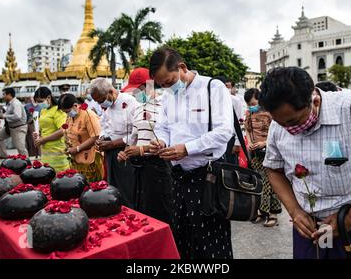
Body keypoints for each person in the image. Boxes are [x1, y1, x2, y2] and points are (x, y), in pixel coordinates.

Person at [259, 67, 351, 259]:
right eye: (280, 123)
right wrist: (295, 211)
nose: (288, 129)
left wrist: (350, 220)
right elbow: (273, 169)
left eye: (293, 121)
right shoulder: (280, 122)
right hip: (307, 229)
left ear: (315, 100)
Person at [148, 48, 234, 259]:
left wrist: (187, 148)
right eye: (162, 85)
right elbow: (163, 126)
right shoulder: (168, 96)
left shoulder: (212, 87)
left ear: (182, 67)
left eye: (169, 81)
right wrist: (161, 141)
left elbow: (224, 131)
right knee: (183, 236)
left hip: (208, 176)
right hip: (179, 177)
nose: (167, 87)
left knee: (211, 241)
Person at [116, 67, 173, 223]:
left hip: (160, 166)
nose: (133, 94)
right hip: (140, 169)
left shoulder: (165, 104)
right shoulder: (138, 107)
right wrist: (125, 153)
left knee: (161, 213)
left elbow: (172, 140)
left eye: (136, 90)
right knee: (143, 211)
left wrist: (141, 150)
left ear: (148, 85)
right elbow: (133, 139)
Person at [91, 78, 139, 207]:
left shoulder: (129, 102)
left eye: (101, 100)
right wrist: (100, 139)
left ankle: (130, 216)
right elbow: (104, 126)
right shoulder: (106, 106)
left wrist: (113, 144)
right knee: (112, 188)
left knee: (126, 190)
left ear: (111, 92)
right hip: (109, 152)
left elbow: (135, 134)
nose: (100, 104)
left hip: (125, 152)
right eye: (97, 102)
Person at [244, 88, 282, 227]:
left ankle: (268, 212)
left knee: (270, 182)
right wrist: (250, 143)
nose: (251, 106)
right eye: (248, 104)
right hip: (255, 154)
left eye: (253, 103)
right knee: (261, 181)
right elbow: (248, 130)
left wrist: (263, 143)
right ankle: (269, 212)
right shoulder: (249, 113)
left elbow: (278, 133)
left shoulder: (271, 113)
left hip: (270, 151)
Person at [59, 93, 103, 182]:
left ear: (75, 105)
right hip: (76, 160)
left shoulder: (88, 115)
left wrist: (78, 149)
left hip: (90, 161)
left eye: (67, 111)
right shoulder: (71, 116)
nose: (67, 114)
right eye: (65, 112)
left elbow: (96, 136)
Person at [33, 87, 69, 172]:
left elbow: (62, 131)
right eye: (37, 102)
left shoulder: (58, 111)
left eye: (41, 101)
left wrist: (43, 139)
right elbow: (44, 129)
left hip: (57, 152)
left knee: (59, 177)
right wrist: (38, 135)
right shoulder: (43, 111)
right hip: (46, 151)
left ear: (49, 97)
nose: (39, 104)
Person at [0, 87, 28, 157]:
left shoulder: (16, 103)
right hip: (10, 127)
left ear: (9, 94)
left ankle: (27, 163)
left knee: (20, 148)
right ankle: (5, 156)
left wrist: (4, 116)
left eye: (4, 94)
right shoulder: (10, 103)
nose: (3, 96)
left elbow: (17, 116)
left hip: (18, 128)